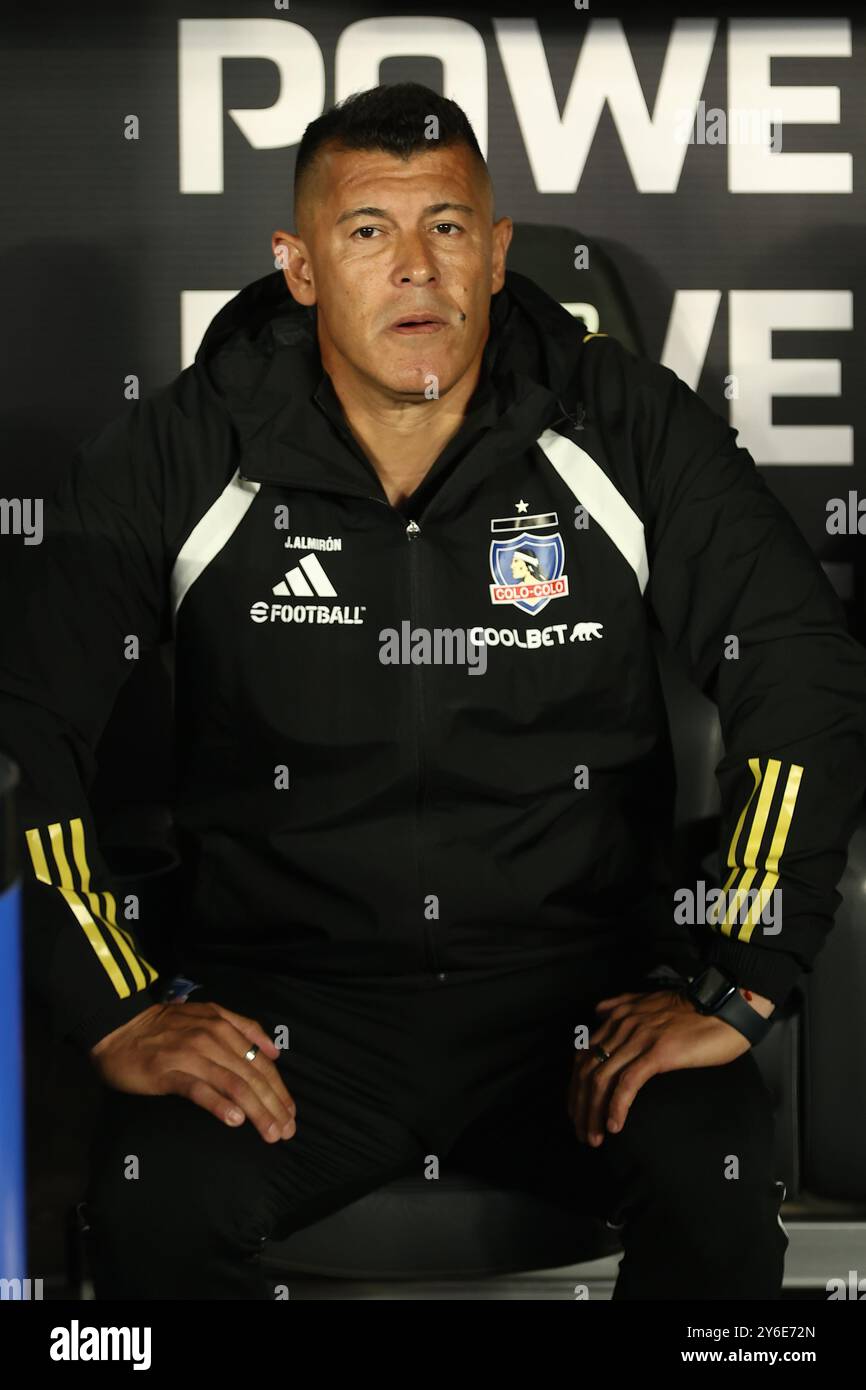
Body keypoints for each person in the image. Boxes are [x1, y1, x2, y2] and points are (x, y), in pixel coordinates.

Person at [3, 81, 866, 1301]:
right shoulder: (185, 448)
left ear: (497, 253)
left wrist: (743, 971)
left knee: (714, 1192)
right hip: (285, 1011)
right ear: (298, 268)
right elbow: (23, 716)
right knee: (151, 1211)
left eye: (447, 227)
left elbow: (797, 658)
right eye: (367, 232)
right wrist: (116, 1004)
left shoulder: (618, 422)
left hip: (575, 1001)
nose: (416, 269)